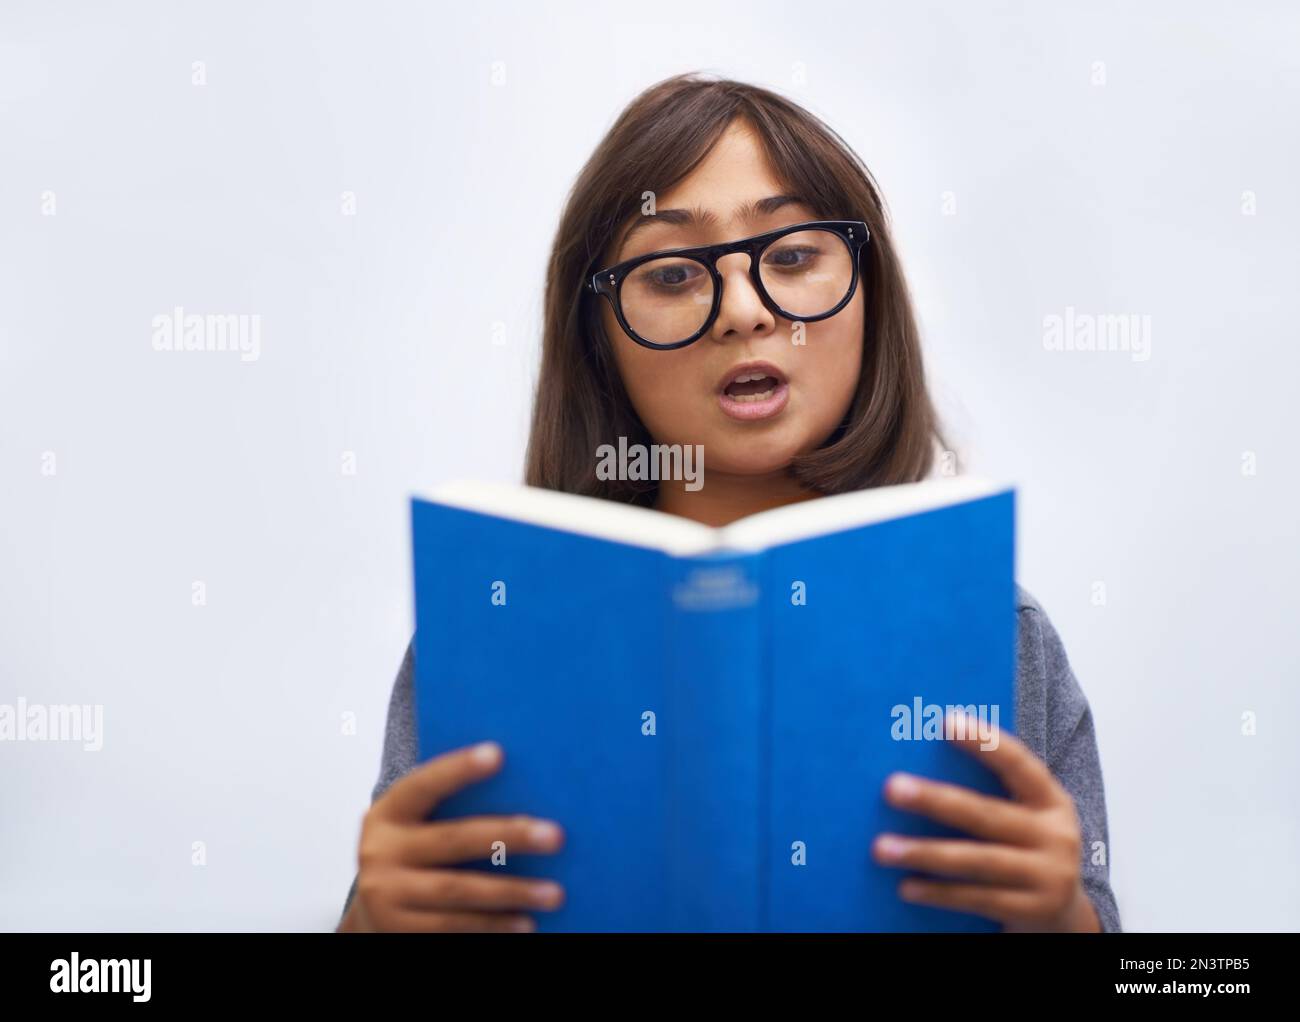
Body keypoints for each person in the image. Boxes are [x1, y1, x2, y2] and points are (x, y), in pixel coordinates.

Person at [335, 72, 1121, 934]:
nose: (744, 312)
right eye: (671, 273)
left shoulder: (1003, 638)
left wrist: (1060, 921)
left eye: (791, 256)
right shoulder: (488, 637)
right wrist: (376, 919)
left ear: (870, 292)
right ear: (596, 340)